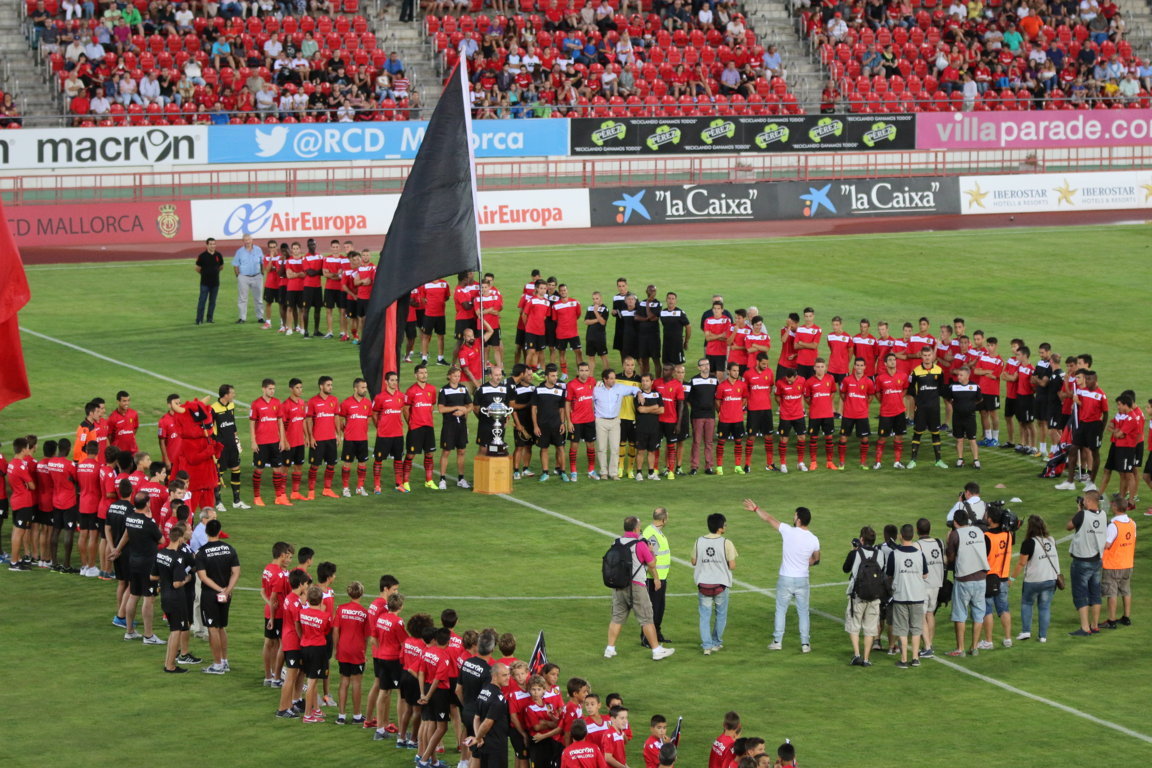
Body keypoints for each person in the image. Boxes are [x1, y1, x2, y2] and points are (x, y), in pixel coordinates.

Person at [744, 499, 820, 652]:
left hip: (785, 578)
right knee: (803, 612)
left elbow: (769, 518)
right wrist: (805, 563)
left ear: (798, 519)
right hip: (802, 579)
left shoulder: (788, 530)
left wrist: (756, 508)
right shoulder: (813, 539)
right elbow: (816, 559)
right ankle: (805, 644)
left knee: (781, 610)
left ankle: (777, 641)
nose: (793, 518)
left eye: (794, 516)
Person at [604, 516, 675, 660]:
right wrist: (651, 551)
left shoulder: (616, 542)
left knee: (617, 618)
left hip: (618, 586)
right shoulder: (640, 544)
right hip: (636, 586)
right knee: (647, 618)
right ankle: (656, 650)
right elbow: (652, 564)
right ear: (636, 528)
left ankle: (609, 649)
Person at [195, 518, 241, 674]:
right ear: (219, 531)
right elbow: (236, 572)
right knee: (222, 627)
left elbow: (203, 577)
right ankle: (225, 661)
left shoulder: (202, 552)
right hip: (226, 595)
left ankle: (217, 664)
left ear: (206, 532)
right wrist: (227, 590)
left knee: (212, 629)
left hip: (210, 595)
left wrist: (219, 589)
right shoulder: (230, 549)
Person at [944, 507, 989, 656]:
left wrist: (947, 541)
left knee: (960, 614)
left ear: (955, 522)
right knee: (978, 614)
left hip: (964, 579)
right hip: (981, 578)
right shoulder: (978, 531)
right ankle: (974, 647)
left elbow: (950, 558)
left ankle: (960, 649)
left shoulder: (955, 535)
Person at [1011, 514, 1061, 643]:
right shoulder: (1051, 540)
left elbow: (1021, 563)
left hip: (1033, 581)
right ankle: (1043, 636)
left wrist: (1012, 578)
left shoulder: (1029, 542)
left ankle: (1026, 631)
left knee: (1027, 603)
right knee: (1045, 607)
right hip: (1050, 579)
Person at [692, 512, 737, 655]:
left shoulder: (699, 541)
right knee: (721, 614)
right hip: (720, 585)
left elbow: (693, 561)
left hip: (703, 584)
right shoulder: (726, 543)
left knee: (704, 616)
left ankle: (707, 646)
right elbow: (732, 565)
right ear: (720, 528)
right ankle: (716, 642)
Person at [152, 523, 194, 673]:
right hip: (176, 598)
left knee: (173, 631)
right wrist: (187, 579)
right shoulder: (177, 558)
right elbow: (177, 584)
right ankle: (170, 666)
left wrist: (165, 580)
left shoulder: (161, 553)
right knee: (177, 631)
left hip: (165, 597)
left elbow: (153, 575)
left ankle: (168, 663)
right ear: (181, 539)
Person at [888, 524, 929, 668]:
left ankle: (904, 659)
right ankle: (915, 658)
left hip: (901, 596)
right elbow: (925, 574)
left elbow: (889, 575)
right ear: (913, 536)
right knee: (916, 628)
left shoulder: (895, 554)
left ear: (900, 536)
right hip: (917, 596)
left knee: (902, 629)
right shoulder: (919, 554)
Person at [1067, 490, 1107, 636]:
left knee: (1080, 594)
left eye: (1084, 500)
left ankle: (1085, 628)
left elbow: (1069, 526)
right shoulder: (1103, 514)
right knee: (1095, 593)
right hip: (1097, 560)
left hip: (1082, 561)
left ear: (1089, 501)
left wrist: (1079, 512)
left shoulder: (1082, 515)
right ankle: (1095, 625)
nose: (1083, 502)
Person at [843, 526, 882, 666]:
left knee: (854, 625)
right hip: (875, 596)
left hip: (857, 596)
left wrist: (853, 551)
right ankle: (866, 659)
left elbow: (845, 568)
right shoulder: (880, 554)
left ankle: (857, 655)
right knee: (870, 628)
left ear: (861, 539)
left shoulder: (856, 553)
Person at [249, 378, 289, 507]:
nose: (272, 391)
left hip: (275, 442)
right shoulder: (256, 404)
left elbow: (280, 422)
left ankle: (279, 497)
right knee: (259, 470)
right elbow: (252, 423)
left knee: (277, 469)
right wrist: (253, 441)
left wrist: (282, 440)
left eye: (273, 389)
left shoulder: (277, 403)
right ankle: (257, 497)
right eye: (270, 389)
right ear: (263, 389)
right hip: (261, 443)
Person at [979, 505, 1015, 649]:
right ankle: (1008, 638)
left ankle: (988, 641)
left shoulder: (986, 537)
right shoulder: (1008, 535)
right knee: (1004, 609)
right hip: (1003, 577)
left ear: (990, 519)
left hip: (989, 577)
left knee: (987, 610)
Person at [907, 347, 947, 469]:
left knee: (935, 433)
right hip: (921, 408)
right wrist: (917, 403)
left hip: (934, 408)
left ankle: (938, 460)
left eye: (929, 355)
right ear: (921, 356)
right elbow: (911, 390)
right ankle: (913, 460)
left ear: (932, 356)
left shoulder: (939, 371)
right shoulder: (916, 371)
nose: (927, 357)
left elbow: (941, 388)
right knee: (917, 433)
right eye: (925, 355)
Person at [299, 585, 334, 723]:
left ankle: (316, 709)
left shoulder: (302, 613)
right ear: (321, 601)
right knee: (312, 682)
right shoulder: (325, 616)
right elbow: (326, 632)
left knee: (313, 679)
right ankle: (308, 715)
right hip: (317, 649)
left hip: (304, 647)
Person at [261, 541, 294, 687]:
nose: (290, 560)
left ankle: (271, 675)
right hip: (278, 614)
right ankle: (275, 677)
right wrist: (273, 618)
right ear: (282, 555)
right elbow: (274, 597)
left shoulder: (268, 568)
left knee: (270, 643)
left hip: (270, 611)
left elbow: (263, 591)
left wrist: (268, 604)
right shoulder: (279, 574)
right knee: (280, 645)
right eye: (289, 557)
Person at [403, 365, 439, 492]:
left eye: (425, 372)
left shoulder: (432, 389)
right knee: (411, 455)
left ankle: (429, 480)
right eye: (421, 373)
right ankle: (405, 482)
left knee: (429, 453)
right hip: (415, 427)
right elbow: (406, 409)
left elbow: (431, 405)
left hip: (428, 426)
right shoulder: (411, 391)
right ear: (415, 375)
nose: (424, 375)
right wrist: (411, 423)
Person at [1102, 493, 1135, 628]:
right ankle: (1126, 617)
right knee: (1126, 591)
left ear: (1115, 507)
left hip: (1113, 564)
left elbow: (1107, 544)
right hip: (1127, 563)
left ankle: (1111, 620)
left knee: (1112, 592)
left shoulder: (1113, 525)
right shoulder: (1132, 523)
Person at [437, 367, 473, 490]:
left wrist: (464, 411)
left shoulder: (463, 389)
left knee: (461, 451)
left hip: (461, 425)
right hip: (449, 425)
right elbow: (441, 409)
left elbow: (470, 405)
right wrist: (457, 407)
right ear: (449, 376)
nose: (457, 378)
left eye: (458, 376)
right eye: (455, 376)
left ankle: (461, 478)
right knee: (446, 451)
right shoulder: (444, 390)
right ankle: (442, 479)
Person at [641, 508, 671, 647]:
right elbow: (651, 559)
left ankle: (657, 634)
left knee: (659, 608)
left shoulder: (655, 532)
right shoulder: (651, 534)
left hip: (660, 577)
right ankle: (646, 638)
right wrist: (657, 578)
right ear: (663, 519)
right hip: (653, 578)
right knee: (651, 609)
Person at [593, 369, 630, 480]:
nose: (614, 380)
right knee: (601, 448)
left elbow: (634, 389)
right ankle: (603, 472)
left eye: (614, 378)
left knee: (615, 448)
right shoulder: (596, 389)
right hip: (601, 421)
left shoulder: (620, 388)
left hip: (615, 421)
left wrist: (639, 393)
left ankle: (613, 473)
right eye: (612, 378)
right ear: (605, 379)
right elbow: (590, 401)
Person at [473, 662, 511, 768]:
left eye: (508, 674)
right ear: (494, 676)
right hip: (496, 745)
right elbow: (488, 722)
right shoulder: (498, 698)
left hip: (484, 744)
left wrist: (479, 738)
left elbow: (476, 718)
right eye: (504, 675)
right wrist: (478, 737)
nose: (508, 678)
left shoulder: (484, 691)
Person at [944, 366, 983, 468]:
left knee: (972, 439)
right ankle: (960, 459)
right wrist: (955, 405)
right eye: (958, 375)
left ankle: (976, 460)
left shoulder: (975, 387)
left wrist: (970, 405)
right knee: (959, 439)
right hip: (957, 417)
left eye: (961, 375)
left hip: (970, 417)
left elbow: (979, 399)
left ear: (968, 376)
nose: (958, 377)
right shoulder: (953, 386)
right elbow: (948, 399)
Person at [686, 358, 718, 475]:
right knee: (697, 442)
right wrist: (695, 407)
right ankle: (694, 467)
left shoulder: (714, 380)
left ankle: (708, 467)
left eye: (707, 364)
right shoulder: (693, 380)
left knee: (709, 442)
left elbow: (717, 396)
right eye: (703, 365)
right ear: (699, 367)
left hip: (710, 415)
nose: (706, 367)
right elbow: (687, 397)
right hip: (697, 415)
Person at [633, 374, 664, 481]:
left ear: (652, 382)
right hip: (641, 428)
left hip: (654, 428)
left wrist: (648, 409)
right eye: (643, 381)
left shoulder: (657, 394)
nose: (645, 383)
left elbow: (662, 410)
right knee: (640, 451)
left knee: (652, 451)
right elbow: (640, 410)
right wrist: (654, 407)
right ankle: (639, 473)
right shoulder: (638, 395)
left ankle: (651, 473)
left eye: (647, 380)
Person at [231, 233, 265, 324]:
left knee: (258, 298)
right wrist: (238, 276)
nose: (247, 242)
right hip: (244, 277)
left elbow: (262, 262)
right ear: (243, 241)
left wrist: (262, 272)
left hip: (257, 276)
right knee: (242, 298)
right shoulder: (239, 252)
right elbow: (235, 264)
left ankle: (260, 317)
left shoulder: (258, 249)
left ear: (252, 240)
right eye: (245, 240)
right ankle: (242, 318)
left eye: (249, 240)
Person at [194, 238, 223, 325]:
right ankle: (199, 319)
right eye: (210, 244)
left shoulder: (218, 255)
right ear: (207, 245)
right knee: (202, 301)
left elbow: (221, 266)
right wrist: (205, 274)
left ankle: (210, 318)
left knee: (212, 302)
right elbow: (197, 268)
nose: (212, 246)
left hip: (215, 283)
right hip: (205, 283)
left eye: (214, 244)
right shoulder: (202, 256)